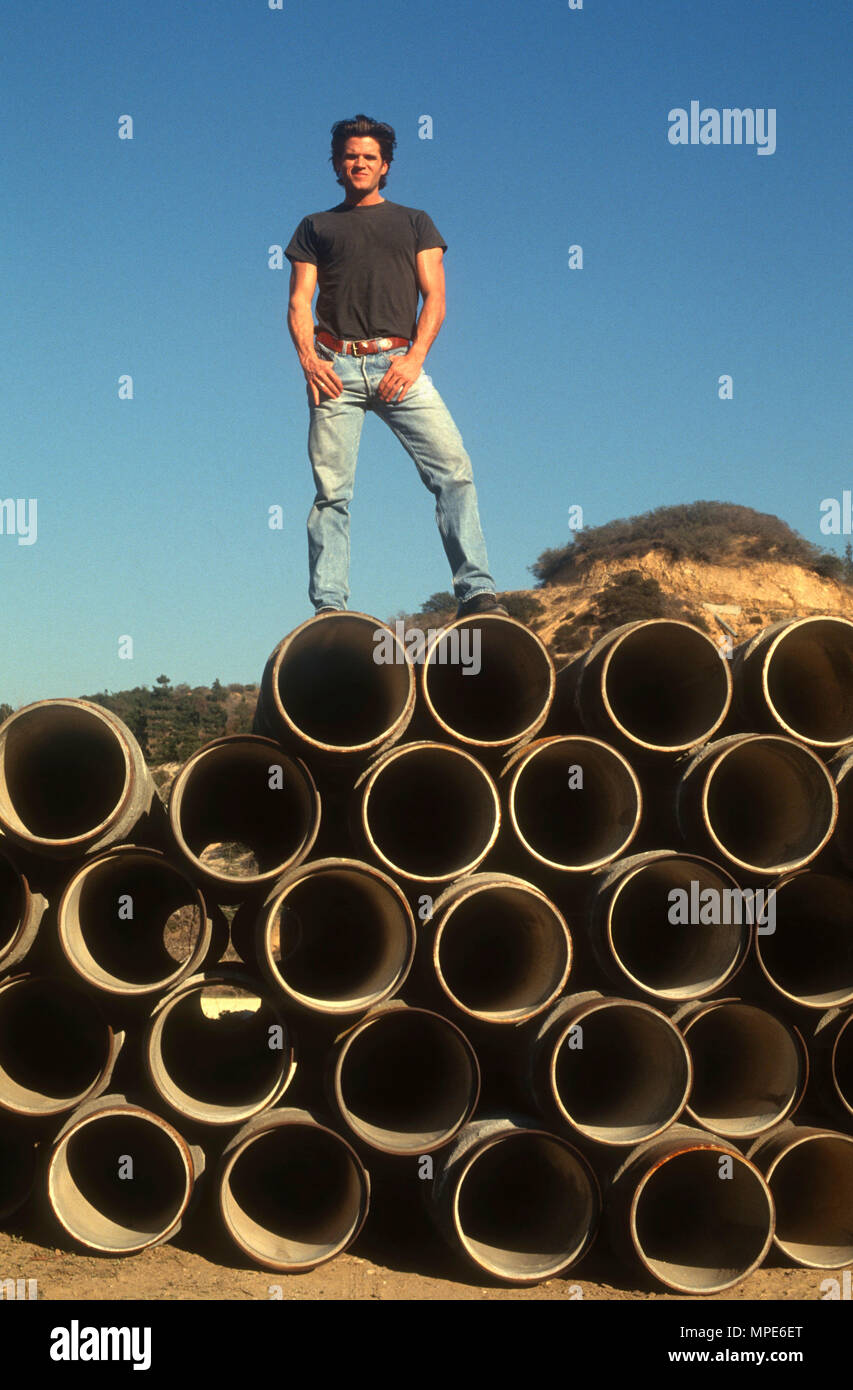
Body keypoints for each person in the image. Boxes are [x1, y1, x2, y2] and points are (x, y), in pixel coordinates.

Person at [284, 113, 507, 619]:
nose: (359, 163)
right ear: (336, 165)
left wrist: (413, 360)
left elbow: (436, 299)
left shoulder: (415, 222)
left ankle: (476, 593)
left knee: (454, 472)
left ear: (385, 166)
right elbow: (299, 301)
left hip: (398, 366)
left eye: (369, 157)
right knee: (331, 495)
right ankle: (331, 609)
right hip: (334, 367)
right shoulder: (314, 227)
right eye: (349, 156)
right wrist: (307, 359)